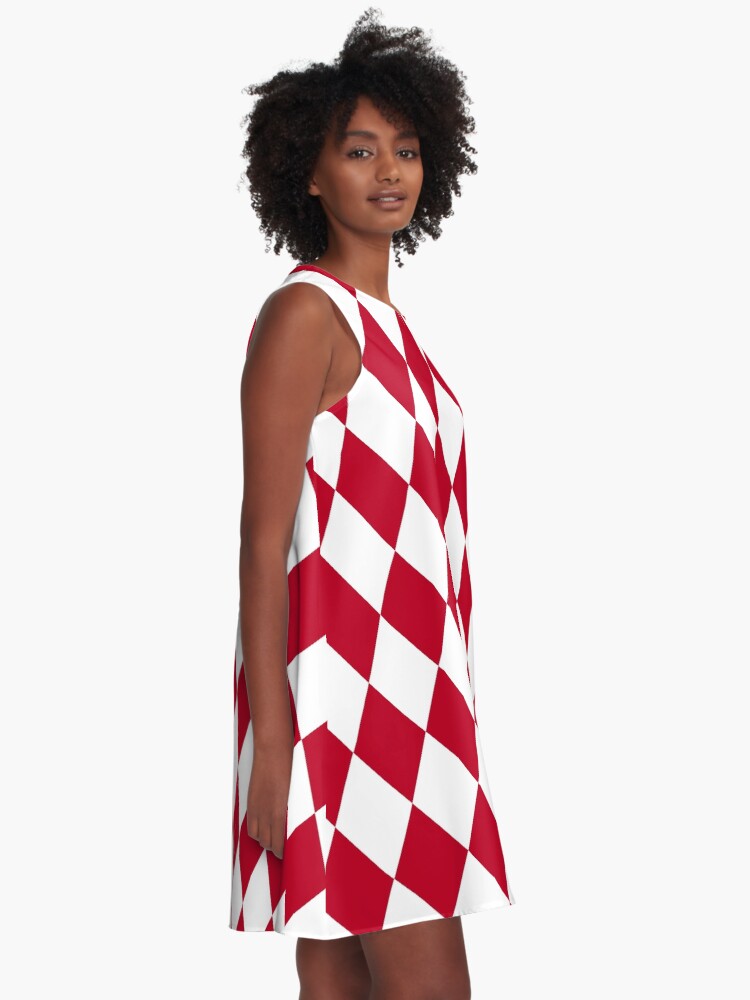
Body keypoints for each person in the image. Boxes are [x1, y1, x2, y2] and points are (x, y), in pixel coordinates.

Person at [229, 8, 515, 998]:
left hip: (416, 698)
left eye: (406, 149)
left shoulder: (397, 332)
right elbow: (262, 542)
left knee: (343, 969)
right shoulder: (304, 315)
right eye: (359, 150)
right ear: (309, 172)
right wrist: (274, 744)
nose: (389, 171)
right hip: (345, 709)